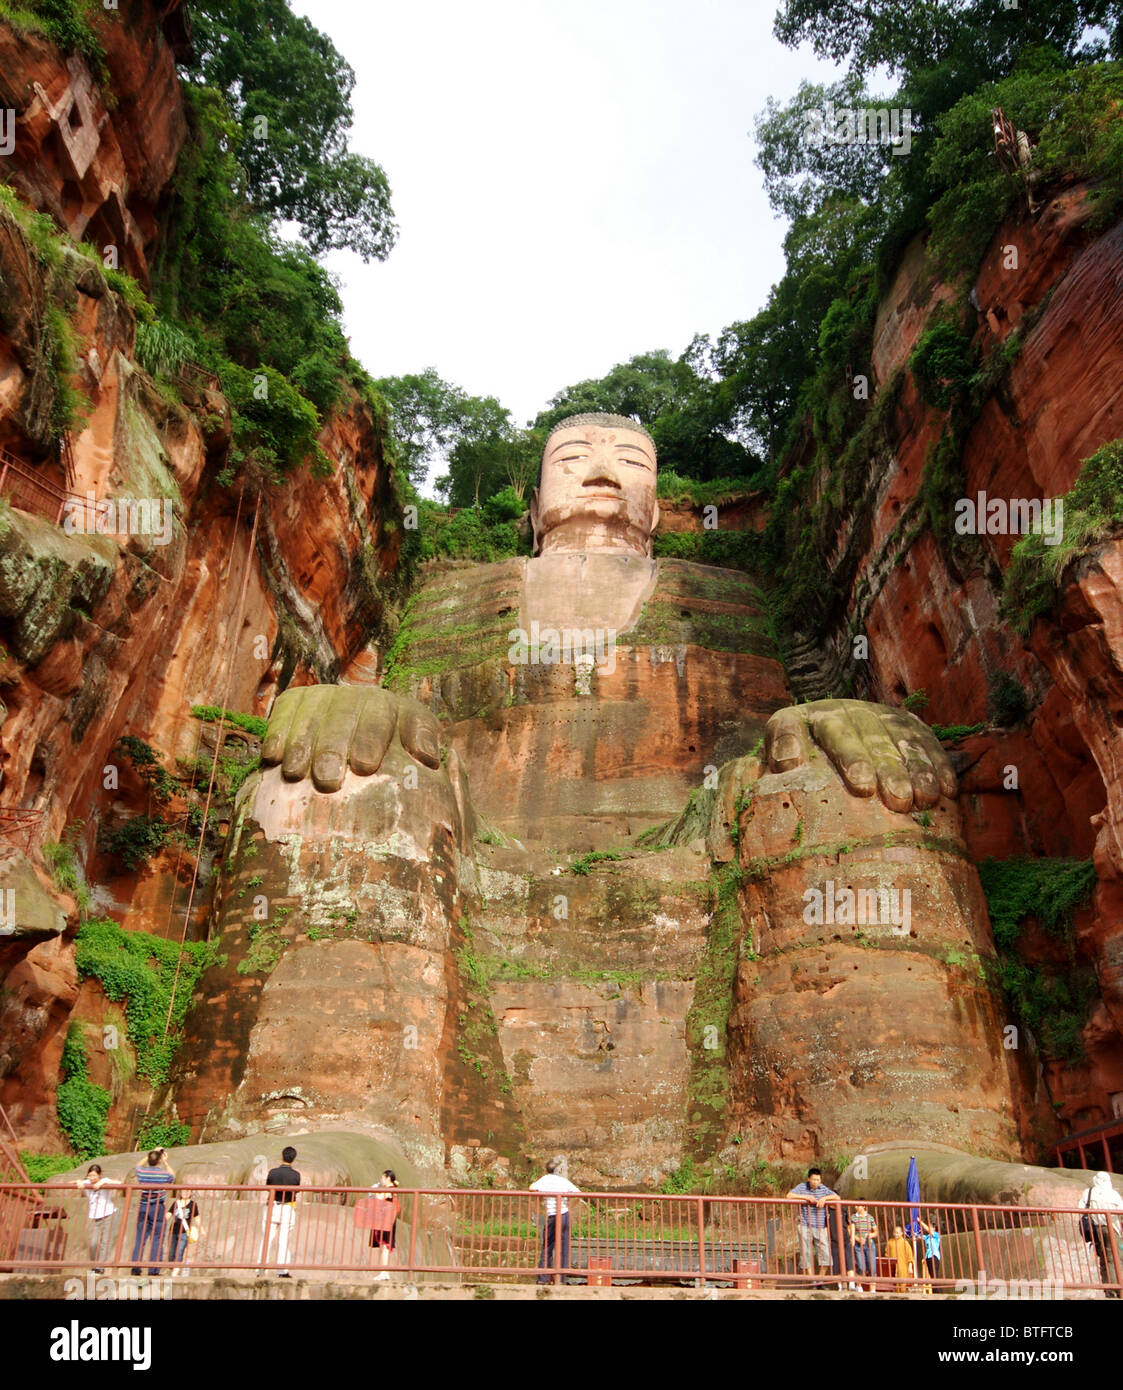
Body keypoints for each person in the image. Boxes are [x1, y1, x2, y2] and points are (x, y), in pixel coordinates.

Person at [787, 1167, 841, 1285]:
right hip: (805, 1224)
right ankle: (811, 1280)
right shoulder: (802, 1187)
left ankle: (819, 1280)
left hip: (820, 1225)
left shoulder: (823, 1189)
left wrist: (824, 1198)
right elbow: (789, 1196)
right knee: (805, 1253)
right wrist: (806, 1197)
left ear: (820, 1180)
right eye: (813, 1180)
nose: (815, 1182)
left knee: (825, 1254)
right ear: (809, 1179)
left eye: (818, 1180)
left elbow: (837, 1198)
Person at [530, 1156, 580, 1285]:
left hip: (551, 1215)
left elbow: (531, 1188)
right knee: (563, 1247)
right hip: (563, 1215)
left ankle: (543, 1278)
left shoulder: (544, 1180)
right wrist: (569, 1207)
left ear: (547, 1169)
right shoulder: (562, 1181)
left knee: (547, 1246)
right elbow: (578, 1193)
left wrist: (541, 1199)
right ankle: (561, 1279)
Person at [130, 1148, 175, 1275]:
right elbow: (173, 1176)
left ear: (149, 1160)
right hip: (158, 1207)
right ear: (160, 1160)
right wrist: (166, 1162)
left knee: (140, 1238)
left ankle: (135, 1267)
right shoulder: (163, 1174)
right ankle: (154, 1269)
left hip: (144, 1206)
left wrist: (150, 1154)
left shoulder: (142, 1172)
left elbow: (137, 1166)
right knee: (157, 1238)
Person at [1078, 1170, 1123, 1297]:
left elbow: (1081, 1209)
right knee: (1115, 1258)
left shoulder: (1089, 1193)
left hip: (1096, 1228)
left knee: (1104, 1258)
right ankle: (1118, 1288)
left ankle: (1108, 1289)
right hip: (1112, 1228)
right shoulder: (1113, 1194)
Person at [75, 1163, 122, 1272]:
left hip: (109, 1213)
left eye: (94, 1176)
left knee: (106, 1241)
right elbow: (72, 1182)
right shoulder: (87, 1182)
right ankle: (94, 1264)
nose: (92, 1178)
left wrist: (103, 1182)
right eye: (90, 1175)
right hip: (95, 1216)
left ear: (99, 1175)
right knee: (93, 1242)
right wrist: (78, 1181)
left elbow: (119, 1183)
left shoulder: (104, 1180)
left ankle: (100, 1267)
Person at [264, 1145, 301, 1278]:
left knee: (266, 1239)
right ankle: (282, 1270)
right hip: (287, 1207)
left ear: (282, 1156)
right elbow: (296, 1190)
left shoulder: (273, 1172)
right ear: (294, 1159)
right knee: (284, 1240)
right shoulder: (296, 1175)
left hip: (272, 1207)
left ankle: (260, 1268)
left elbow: (268, 1187)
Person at [368, 1170, 400, 1282]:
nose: (381, 1180)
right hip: (386, 1219)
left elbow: (381, 1198)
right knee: (383, 1246)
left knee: (385, 1246)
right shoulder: (392, 1189)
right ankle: (384, 1271)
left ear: (387, 1178)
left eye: (382, 1178)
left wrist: (374, 1191)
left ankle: (384, 1271)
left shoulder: (391, 1189)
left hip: (386, 1220)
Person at [168, 1190, 200, 1276]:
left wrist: (201, 1229)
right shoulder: (176, 1203)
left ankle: (174, 1274)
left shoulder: (193, 1205)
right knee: (171, 1254)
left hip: (184, 1232)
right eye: (184, 1191)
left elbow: (197, 1217)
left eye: (188, 1191)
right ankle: (173, 1270)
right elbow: (169, 1214)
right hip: (173, 1231)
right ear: (180, 1193)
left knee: (180, 1252)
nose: (185, 1193)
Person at [848, 1203, 879, 1292]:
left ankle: (873, 1289)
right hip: (858, 1244)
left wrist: (871, 1235)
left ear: (864, 1206)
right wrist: (857, 1239)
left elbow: (876, 1231)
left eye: (858, 1205)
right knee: (861, 1267)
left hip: (869, 1244)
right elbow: (850, 1230)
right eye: (855, 1205)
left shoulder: (870, 1217)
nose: (856, 1207)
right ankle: (859, 1286)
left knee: (872, 1267)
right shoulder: (853, 1217)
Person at [884, 1223, 915, 1293]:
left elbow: (910, 1256)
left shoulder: (905, 1243)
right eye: (895, 1232)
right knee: (893, 1286)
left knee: (903, 1285)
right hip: (892, 1268)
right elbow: (886, 1255)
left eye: (898, 1233)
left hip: (903, 1267)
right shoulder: (890, 1242)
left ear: (901, 1233)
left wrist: (910, 1267)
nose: (896, 1234)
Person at [919, 1218, 941, 1294]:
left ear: (934, 1228)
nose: (929, 1228)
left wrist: (920, 1221)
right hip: (928, 1257)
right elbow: (919, 1236)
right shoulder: (927, 1236)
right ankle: (935, 1293)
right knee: (932, 1276)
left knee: (934, 1276)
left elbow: (929, 1230)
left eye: (931, 1226)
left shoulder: (936, 1235)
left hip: (934, 1256)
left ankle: (938, 1293)